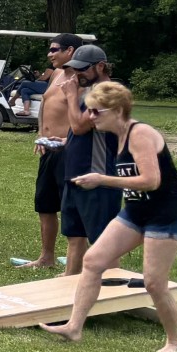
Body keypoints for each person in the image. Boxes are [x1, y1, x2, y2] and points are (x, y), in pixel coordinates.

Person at [41, 80, 177, 352]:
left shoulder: (140, 133)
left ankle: (174, 342)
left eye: (96, 111)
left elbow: (151, 180)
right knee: (93, 260)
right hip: (137, 211)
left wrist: (101, 179)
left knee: (154, 282)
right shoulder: (116, 135)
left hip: (164, 215)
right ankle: (74, 327)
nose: (90, 117)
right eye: (89, 110)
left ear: (117, 110)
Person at [58, 44, 120, 278]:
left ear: (100, 66)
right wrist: (65, 140)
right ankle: (70, 281)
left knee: (105, 240)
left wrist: (71, 96)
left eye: (82, 69)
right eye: (74, 69)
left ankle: (114, 290)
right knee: (75, 235)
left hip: (98, 178)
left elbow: (80, 126)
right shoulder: (90, 91)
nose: (76, 75)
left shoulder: (108, 93)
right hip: (75, 174)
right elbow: (80, 131)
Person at [24, 34, 85, 268]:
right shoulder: (57, 74)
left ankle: (75, 261)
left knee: (70, 206)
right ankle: (46, 257)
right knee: (45, 203)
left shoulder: (80, 80)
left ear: (70, 50)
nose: (50, 54)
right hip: (49, 150)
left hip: (69, 151)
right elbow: (45, 107)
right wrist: (41, 134)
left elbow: (83, 118)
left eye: (54, 49)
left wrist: (68, 140)